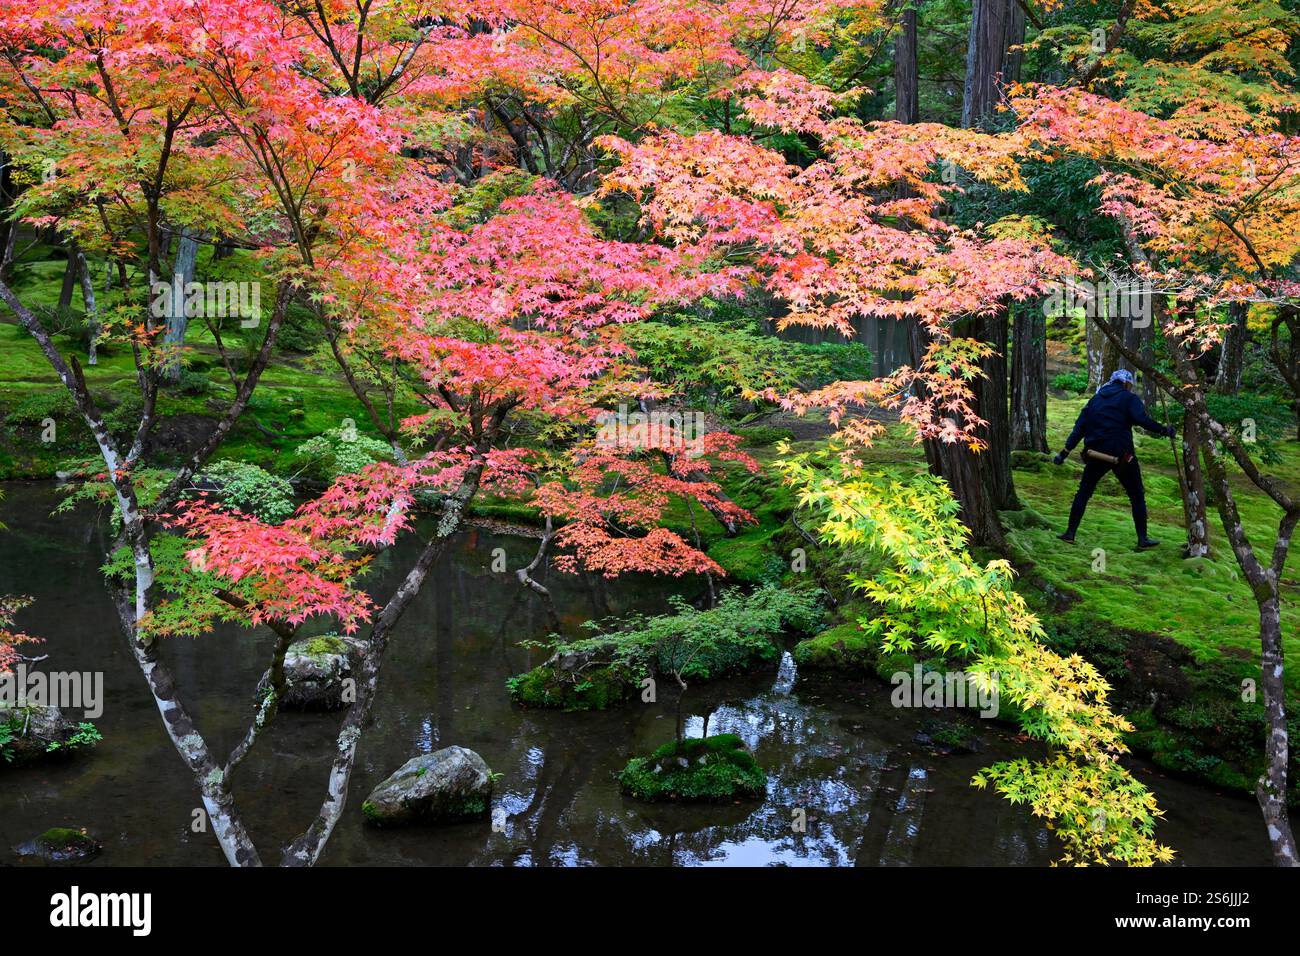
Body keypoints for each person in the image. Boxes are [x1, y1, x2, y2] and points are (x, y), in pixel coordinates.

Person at [1051, 368, 1175, 550]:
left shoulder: (1095, 400)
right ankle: (1142, 539)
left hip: (1095, 453)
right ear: (1126, 384)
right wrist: (1165, 430)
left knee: (1083, 493)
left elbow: (1079, 428)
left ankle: (1070, 533)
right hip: (1122, 456)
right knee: (1136, 495)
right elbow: (1141, 419)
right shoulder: (1129, 398)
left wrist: (1064, 452)